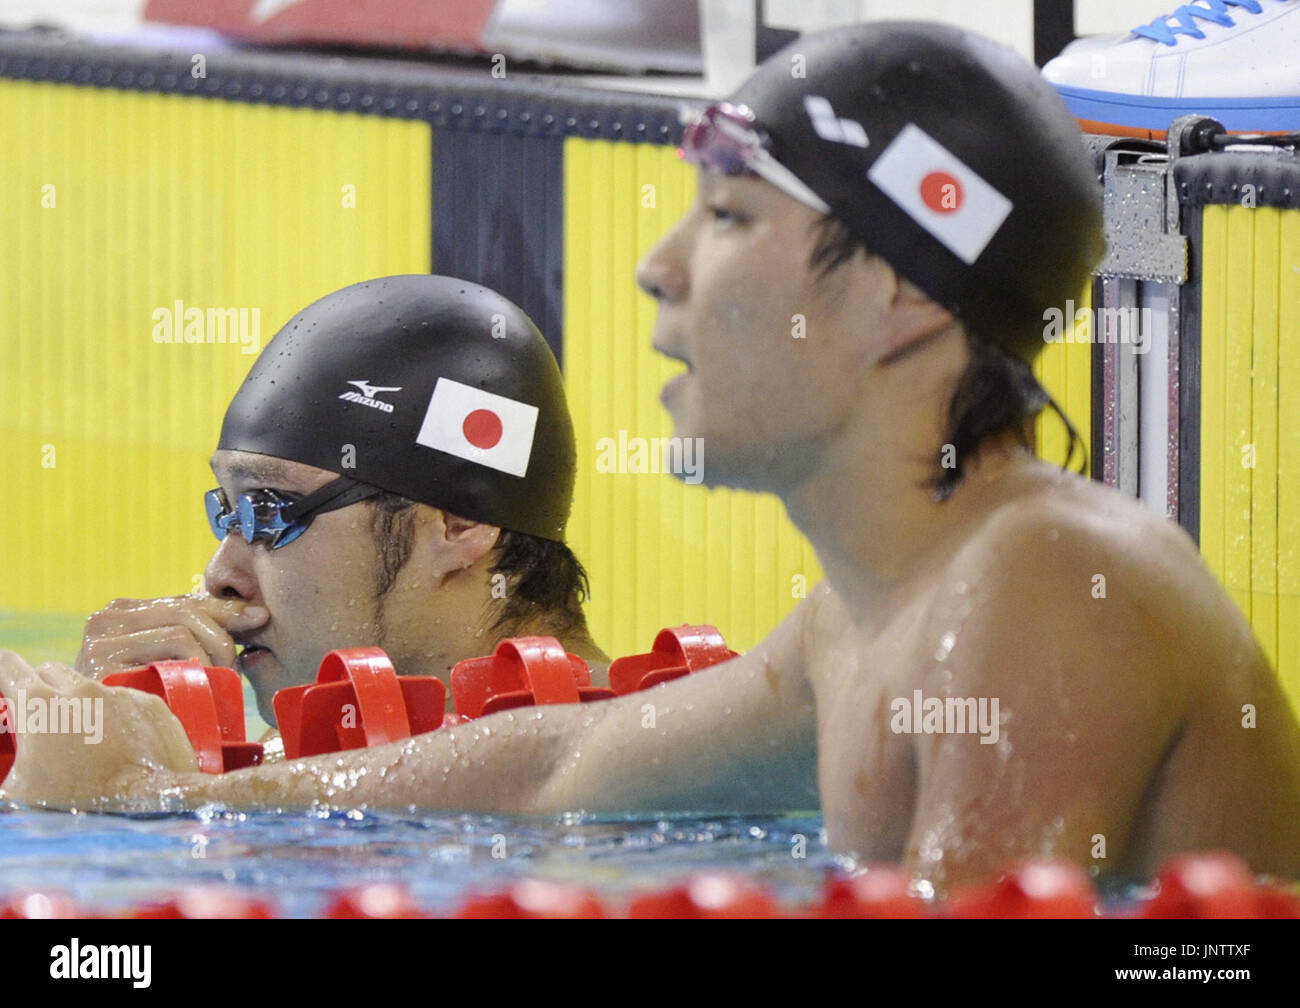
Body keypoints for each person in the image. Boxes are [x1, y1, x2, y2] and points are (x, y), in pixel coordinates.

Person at [3, 22, 1298, 892]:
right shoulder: (870, 620)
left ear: (898, 299)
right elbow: (559, 764)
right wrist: (160, 791)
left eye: (729, 216)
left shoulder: (1046, 586)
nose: (659, 266)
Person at [73, 274, 607, 732]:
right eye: (230, 514)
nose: (220, 577)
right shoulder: (322, 761)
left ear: (459, 523)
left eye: (273, 508)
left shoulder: (645, 763)